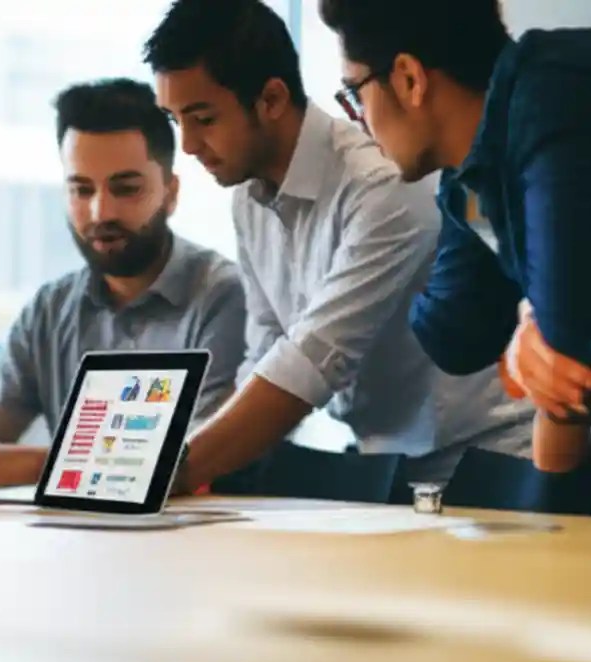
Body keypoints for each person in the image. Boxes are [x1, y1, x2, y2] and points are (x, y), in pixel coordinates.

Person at [142, 0, 534, 493]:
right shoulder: (248, 197)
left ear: (271, 99)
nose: (191, 145)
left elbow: (312, 362)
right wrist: (192, 456)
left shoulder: (382, 181)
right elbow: (266, 352)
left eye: (202, 118)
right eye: (177, 121)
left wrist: (169, 473)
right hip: (384, 462)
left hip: (489, 462)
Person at [319, 0, 591, 517]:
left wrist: (540, 329)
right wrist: (530, 327)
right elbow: (454, 335)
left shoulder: (560, 96)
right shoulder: (476, 179)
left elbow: (570, 361)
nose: (360, 121)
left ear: (409, 78)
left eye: (355, 93)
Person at [0, 78, 247, 496]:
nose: (101, 211)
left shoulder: (225, 298)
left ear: (170, 193)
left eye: (126, 188)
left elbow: (185, 459)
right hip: (73, 543)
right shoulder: (49, 310)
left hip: (200, 543)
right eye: (81, 189)